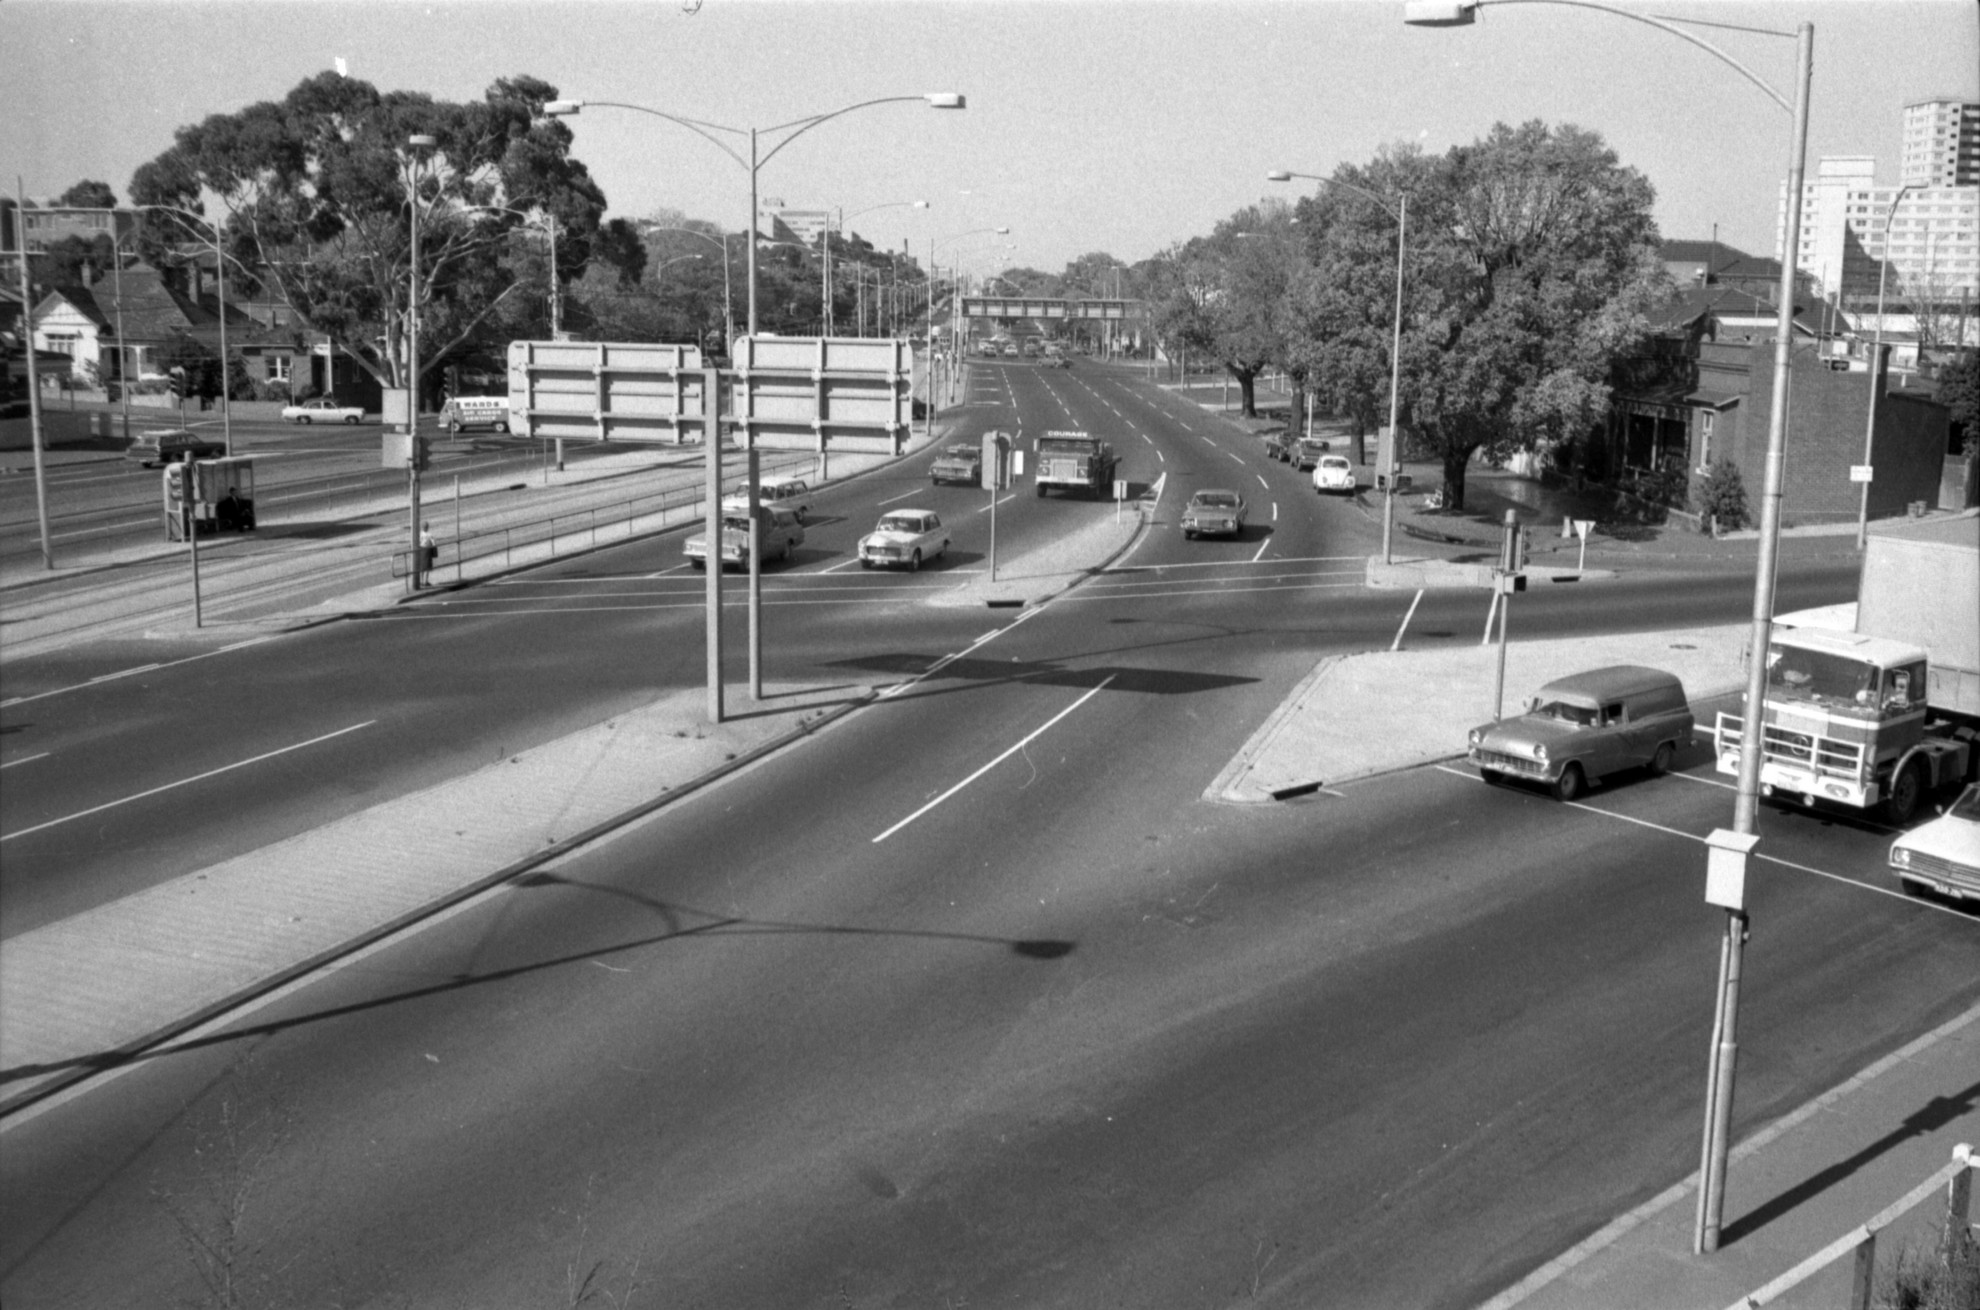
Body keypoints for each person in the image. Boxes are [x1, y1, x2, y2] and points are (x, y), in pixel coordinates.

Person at [417, 523, 437, 589]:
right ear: (427, 527)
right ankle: (425, 582)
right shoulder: (430, 535)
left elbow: (417, 542)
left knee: (421, 567)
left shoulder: (420, 534)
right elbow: (434, 543)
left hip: (421, 551)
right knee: (427, 567)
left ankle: (421, 581)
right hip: (427, 551)